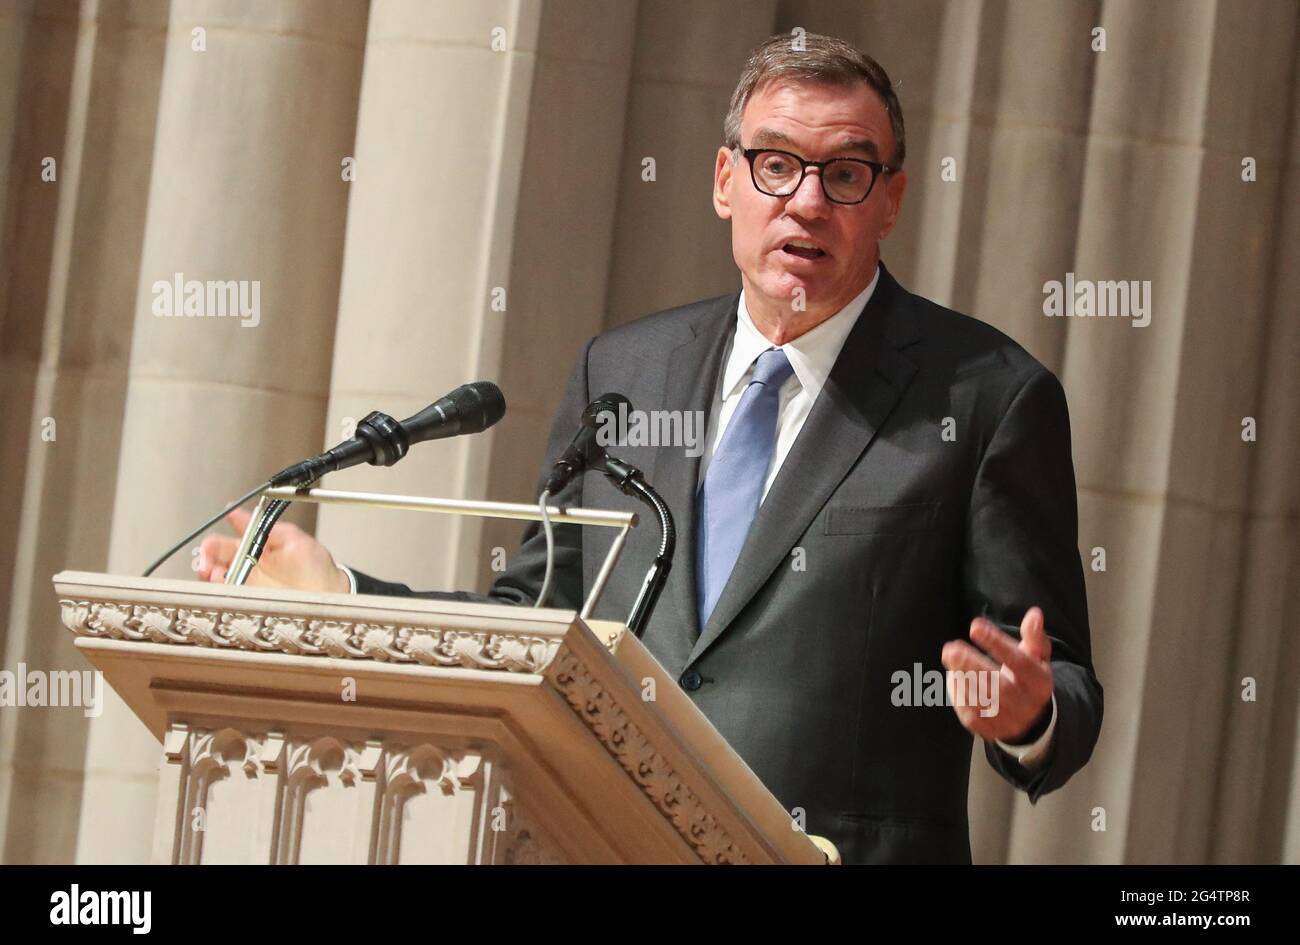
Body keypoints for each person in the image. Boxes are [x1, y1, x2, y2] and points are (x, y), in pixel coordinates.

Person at [199, 33, 1102, 864]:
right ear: (724, 181)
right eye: (777, 165)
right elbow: (538, 617)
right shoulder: (625, 370)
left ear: (892, 198)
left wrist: (1026, 715)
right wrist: (346, 600)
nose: (809, 202)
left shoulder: (987, 395)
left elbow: (1063, 681)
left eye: (848, 174)